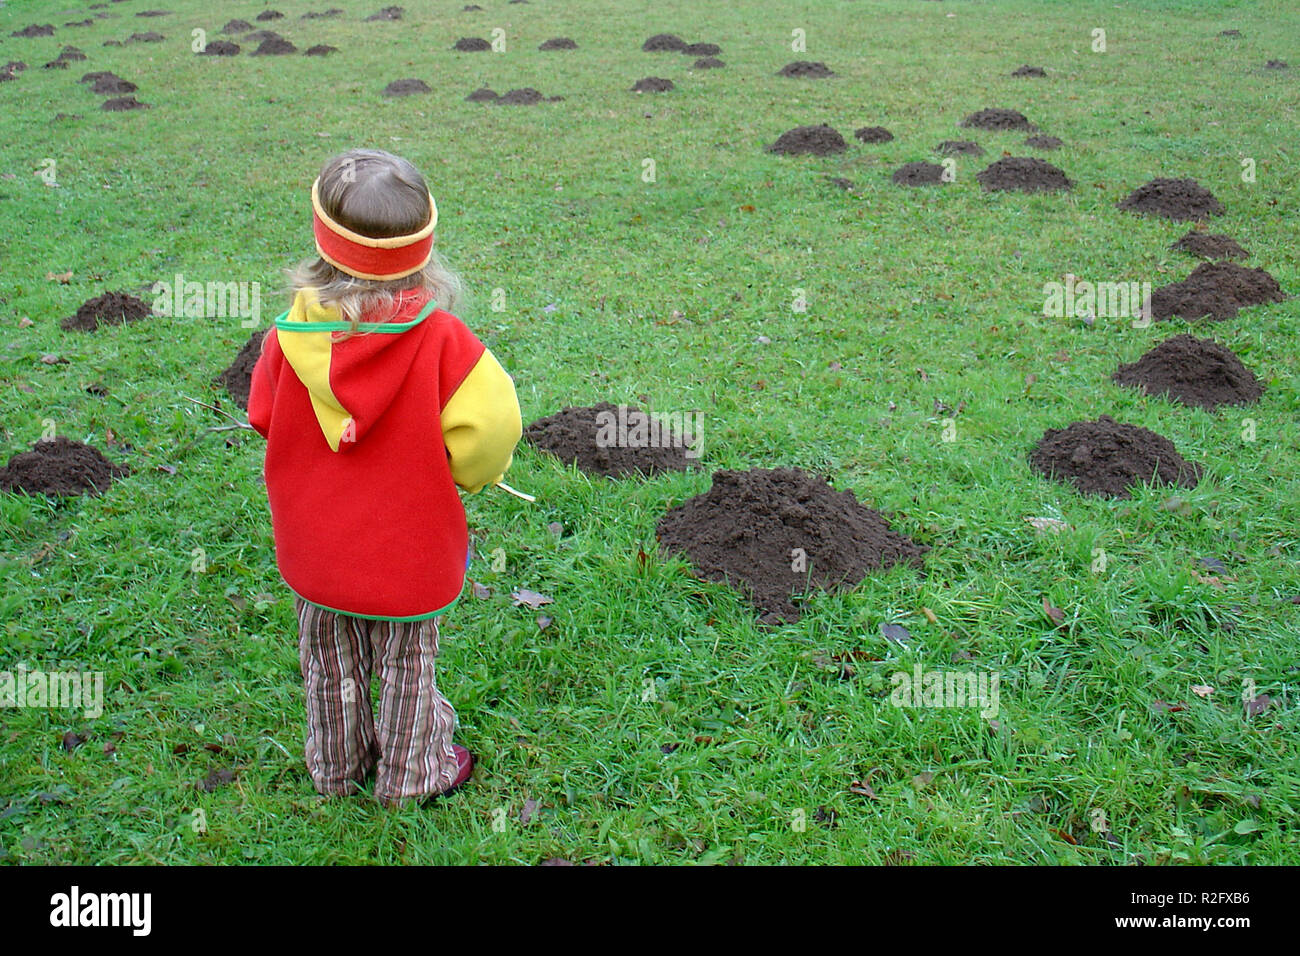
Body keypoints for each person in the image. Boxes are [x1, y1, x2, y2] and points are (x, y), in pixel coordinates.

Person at [248, 148, 522, 807]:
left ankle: (336, 770)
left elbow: (263, 414)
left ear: (322, 250)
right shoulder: (446, 344)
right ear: (424, 253)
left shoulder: (288, 338)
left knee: (329, 660)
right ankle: (410, 778)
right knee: (406, 664)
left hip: (316, 547)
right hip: (408, 551)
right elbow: (492, 432)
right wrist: (462, 471)